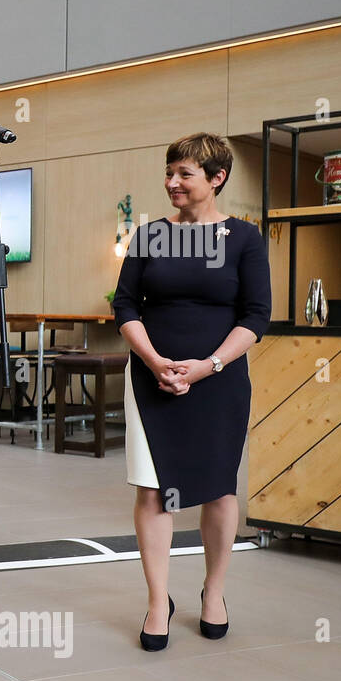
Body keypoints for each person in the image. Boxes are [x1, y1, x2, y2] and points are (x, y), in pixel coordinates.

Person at [111, 133, 270, 652]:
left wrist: (207, 366)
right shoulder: (149, 235)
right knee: (153, 489)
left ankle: (214, 592)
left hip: (218, 382)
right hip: (151, 379)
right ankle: (159, 601)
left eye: (184, 174)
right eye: (169, 172)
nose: (171, 182)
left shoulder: (245, 239)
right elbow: (126, 307)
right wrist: (156, 361)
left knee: (219, 487)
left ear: (216, 178)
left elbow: (256, 317)